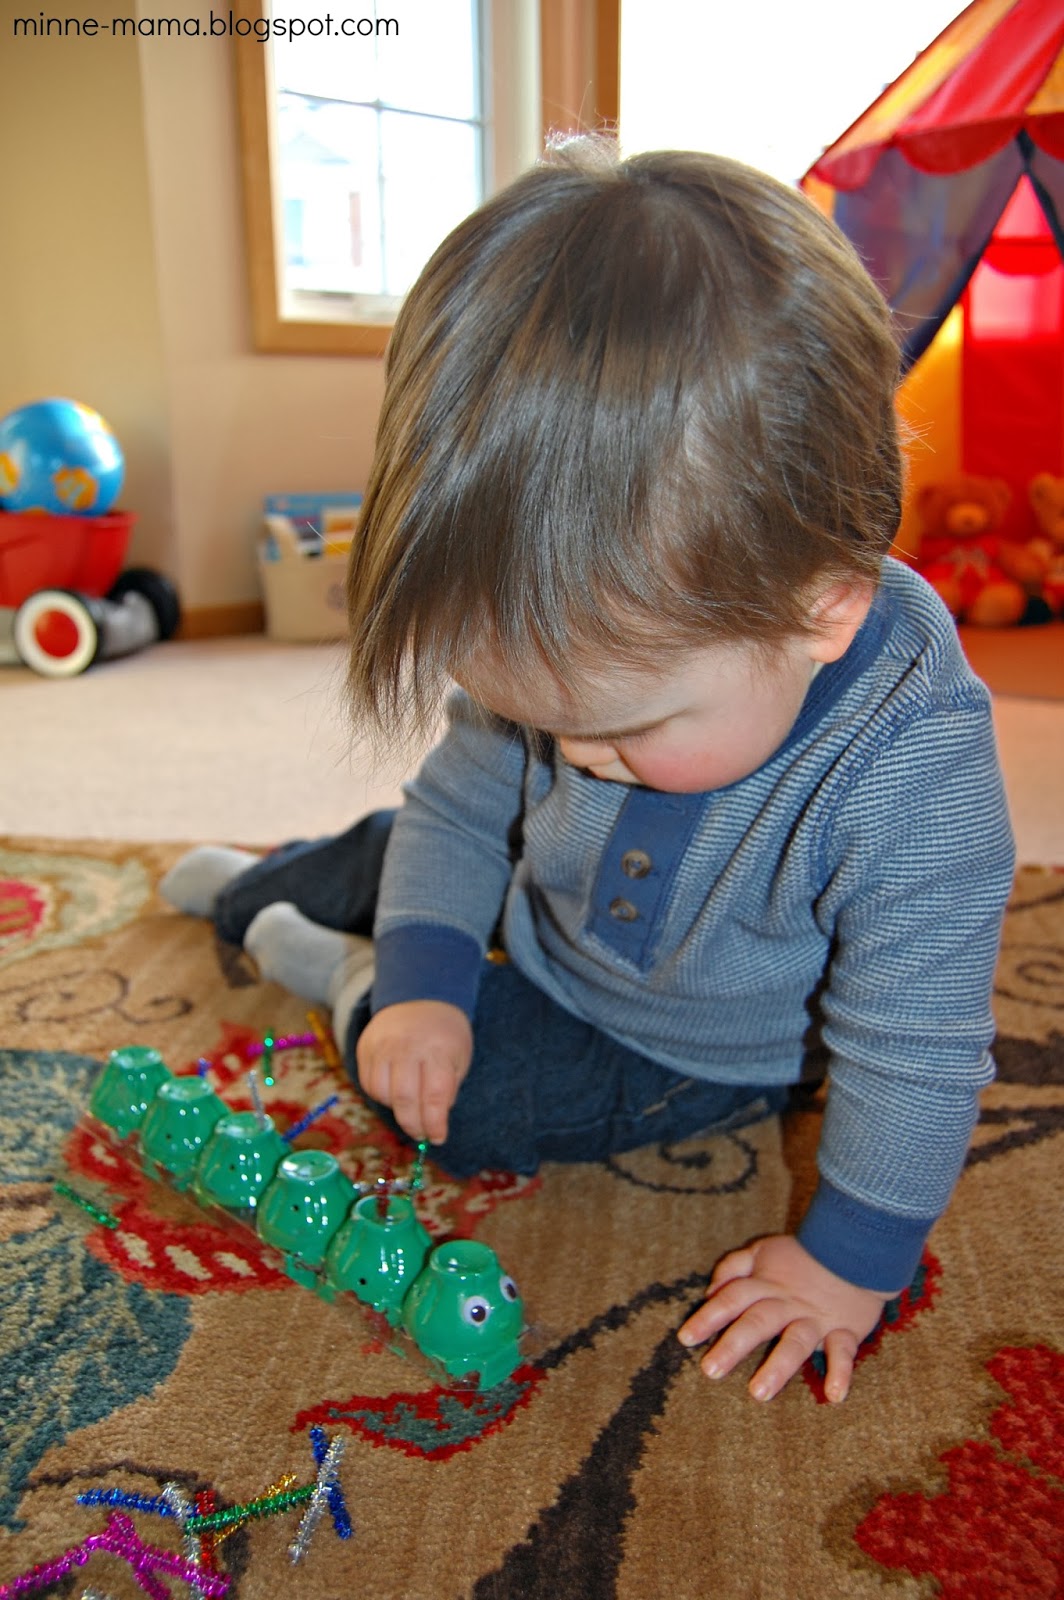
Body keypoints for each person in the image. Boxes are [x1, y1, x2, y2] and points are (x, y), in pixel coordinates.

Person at [162, 141, 1015, 1406]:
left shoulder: (917, 772)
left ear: (821, 609)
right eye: (529, 711)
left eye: (621, 727)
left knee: (473, 1103)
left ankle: (319, 957)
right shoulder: (579, 651)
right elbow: (460, 800)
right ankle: (296, 899)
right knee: (418, 839)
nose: (567, 755)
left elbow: (917, 1049)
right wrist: (429, 981)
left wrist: (851, 1262)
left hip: (690, 1041)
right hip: (532, 910)